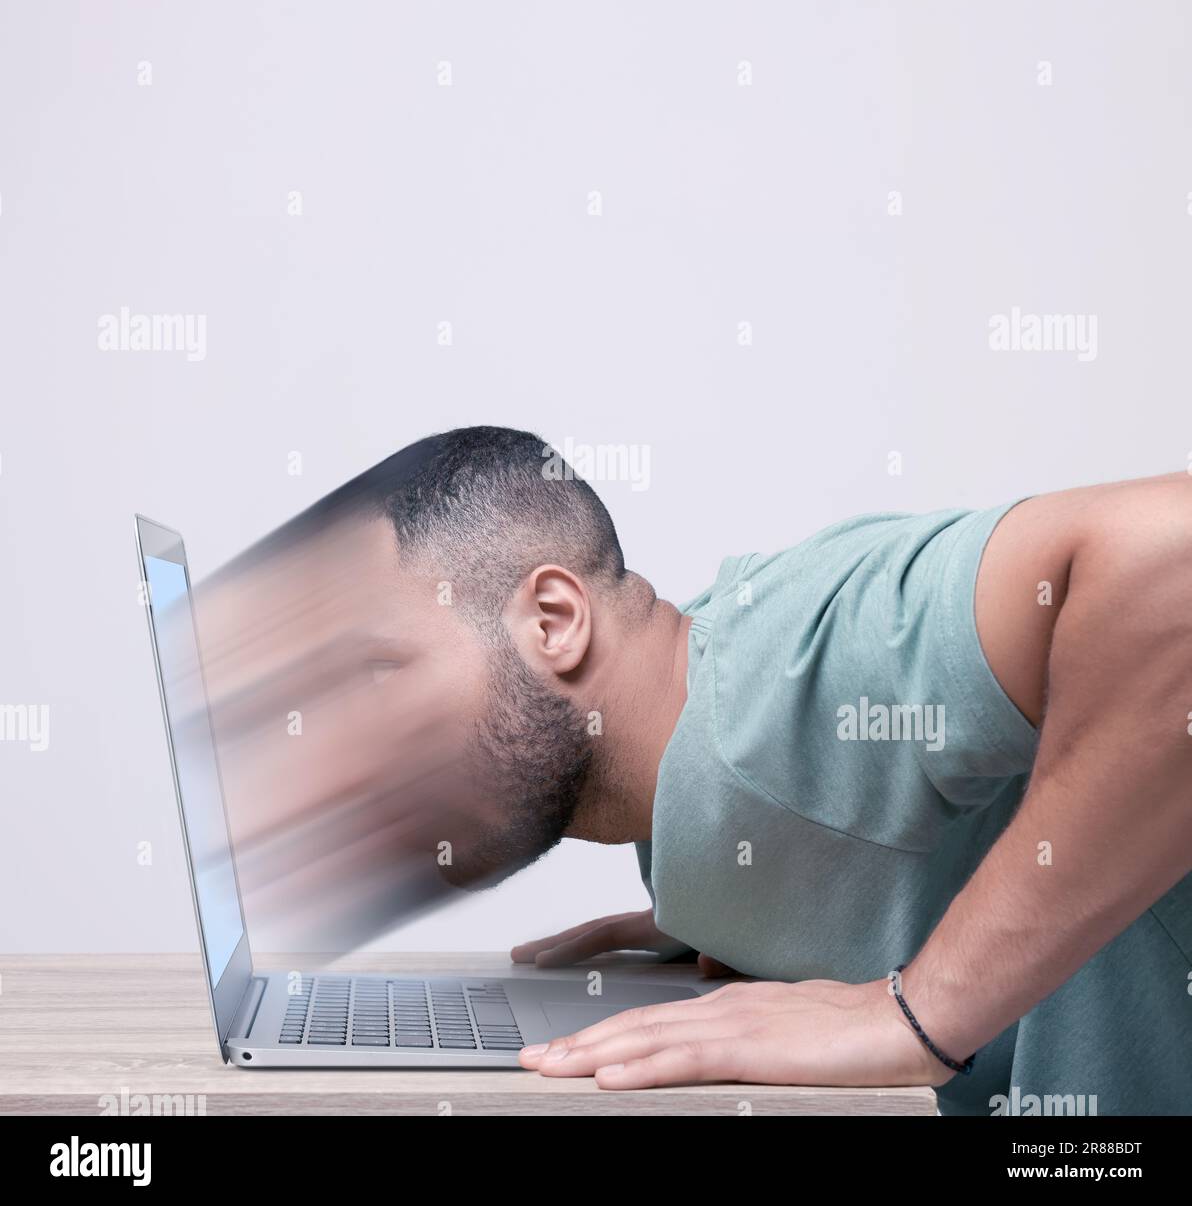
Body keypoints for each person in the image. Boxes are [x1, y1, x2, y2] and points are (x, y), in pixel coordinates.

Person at [202, 425, 1192, 1115]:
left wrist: (920, 1011)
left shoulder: (793, 657)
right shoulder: (701, 761)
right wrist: (742, 899)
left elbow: (1174, 562)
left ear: (551, 621)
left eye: (380, 670)